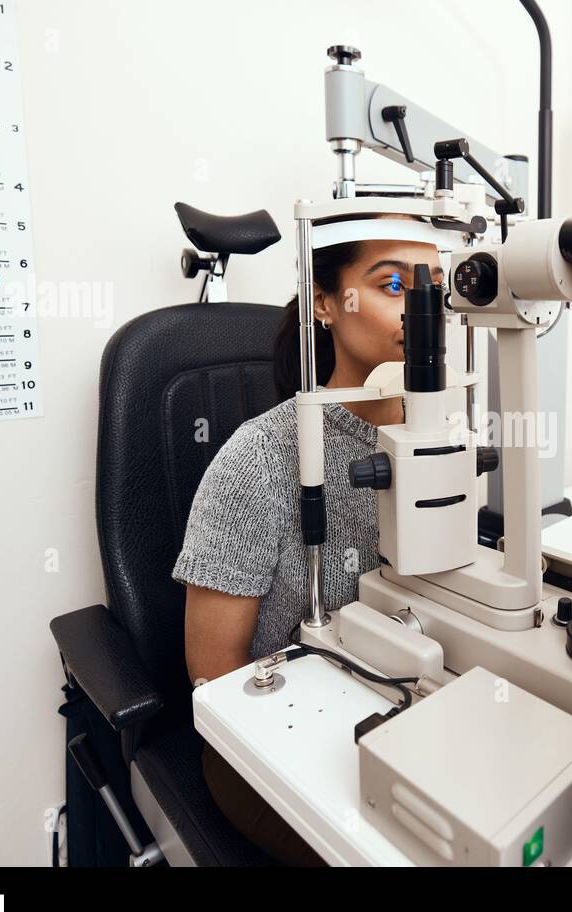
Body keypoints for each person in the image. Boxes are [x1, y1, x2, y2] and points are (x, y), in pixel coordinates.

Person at [172, 216, 442, 865]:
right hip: (265, 750)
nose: (422, 309)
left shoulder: (444, 440)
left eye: (433, 285)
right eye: (394, 283)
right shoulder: (257, 462)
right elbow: (215, 676)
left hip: (404, 707)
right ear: (326, 301)